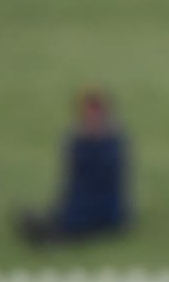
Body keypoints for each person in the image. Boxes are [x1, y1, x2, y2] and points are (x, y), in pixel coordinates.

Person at [14, 89, 133, 244]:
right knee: (67, 210)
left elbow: (102, 179)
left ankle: (53, 233)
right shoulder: (78, 140)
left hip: (103, 206)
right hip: (80, 200)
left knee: (77, 216)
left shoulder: (111, 142)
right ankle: (50, 227)